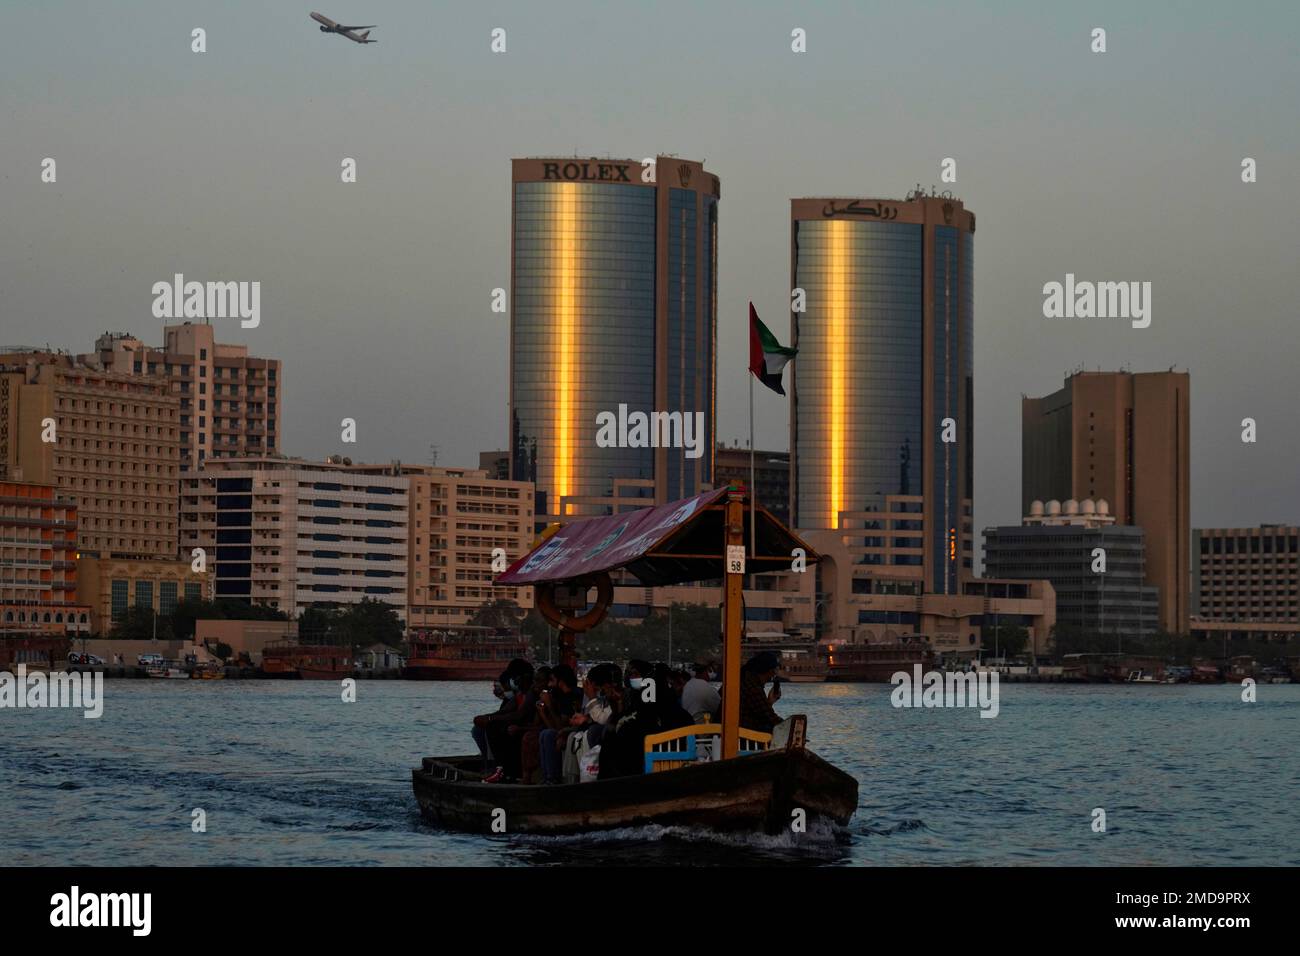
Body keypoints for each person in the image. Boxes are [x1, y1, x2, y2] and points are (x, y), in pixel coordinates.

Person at [477, 662, 537, 783]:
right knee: (493, 726)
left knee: (496, 727)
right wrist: (486, 717)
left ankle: (505, 771)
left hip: (526, 728)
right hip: (518, 727)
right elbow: (505, 710)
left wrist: (490, 719)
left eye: (515, 677)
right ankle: (500, 769)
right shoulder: (521, 693)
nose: (514, 681)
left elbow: (518, 715)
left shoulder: (532, 692)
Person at [537, 664, 580, 784]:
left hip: (575, 731)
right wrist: (543, 713)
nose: (549, 685)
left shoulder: (571, 696)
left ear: (561, 682)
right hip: (565, 731)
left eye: (552, 680)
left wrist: (549, 706)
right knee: (545, 733)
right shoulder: (560, 696)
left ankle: (552, 778)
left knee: (549, 734)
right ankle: (547, 777)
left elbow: (560, 727)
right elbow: (556, 728)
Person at [738, 651, 783, 733]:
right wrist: (792, 728)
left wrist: (769, 702)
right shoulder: (752, 687)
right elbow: (770, 718)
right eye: (775, 670)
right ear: (770, 671)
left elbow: (761, 713)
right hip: (743, 737)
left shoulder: (747, 681)